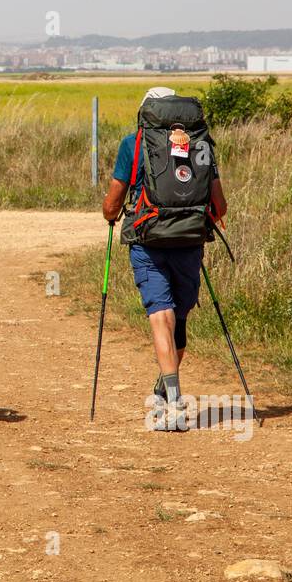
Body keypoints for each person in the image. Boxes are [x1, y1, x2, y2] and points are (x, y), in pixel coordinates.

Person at [101, 87, 227, 431]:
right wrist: (189, 223)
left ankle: (172, 404)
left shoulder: (135, 143)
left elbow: (113, 203)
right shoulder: (200, 143)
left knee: (161, 316)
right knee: (179, 320)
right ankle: (164, 393)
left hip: (148, 241)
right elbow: (219, 206)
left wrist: (110, 216)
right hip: (189, 242)